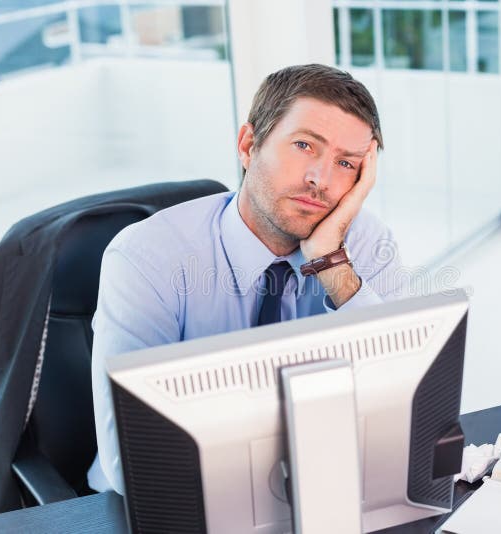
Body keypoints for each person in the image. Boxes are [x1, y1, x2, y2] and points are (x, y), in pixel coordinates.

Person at [88, 64, 406, 493]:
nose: (321, 179)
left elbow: (402, 404)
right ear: (248, 144)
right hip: (168, 499)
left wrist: (332, 265)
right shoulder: (146, 258)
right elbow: (132, 462)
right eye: (304, 145)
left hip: (314, 487)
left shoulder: (364, 244)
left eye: (346, 163)